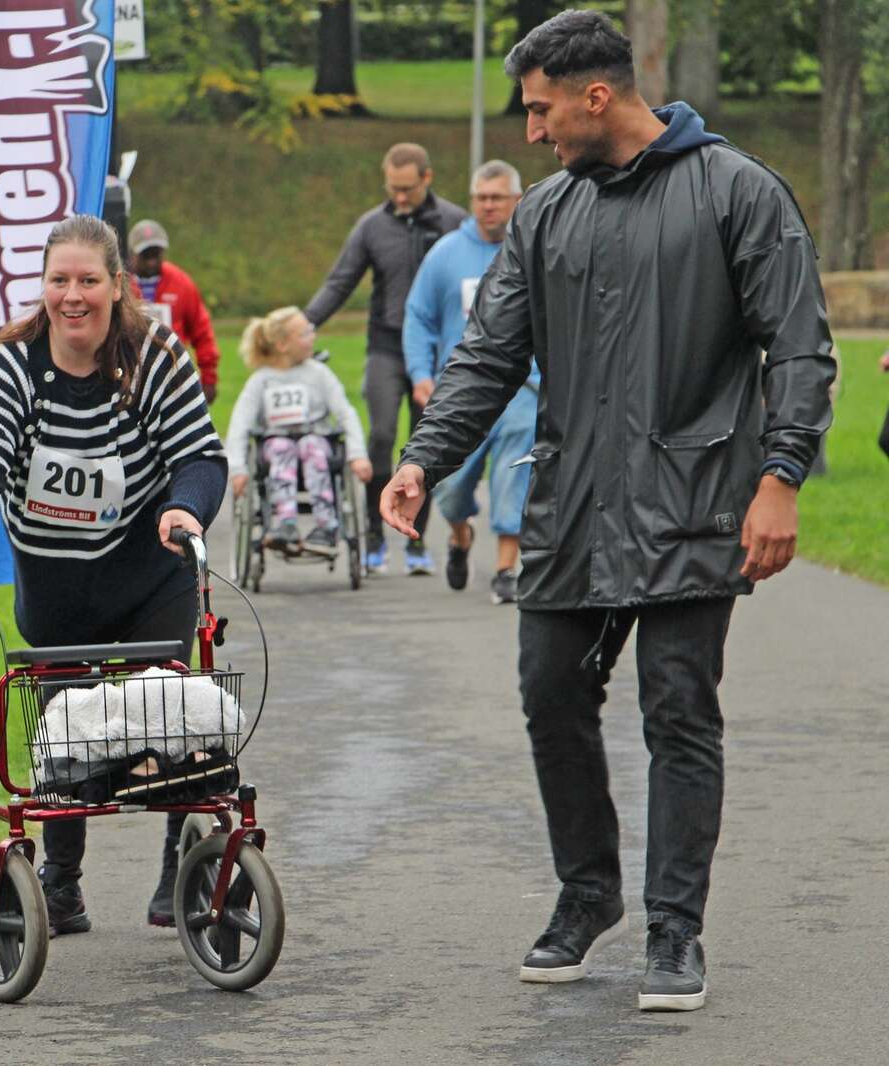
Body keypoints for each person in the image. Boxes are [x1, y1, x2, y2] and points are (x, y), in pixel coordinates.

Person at [380, 10, 833, 1013]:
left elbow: (796, 345)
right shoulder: (545, 215)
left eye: (540, 109)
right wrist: (422, 459)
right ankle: (588, 894)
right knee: (550, 695)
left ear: (595, 95)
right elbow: (490, 354)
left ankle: (674, 927)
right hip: (573, 505)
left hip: (693, 501)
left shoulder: (736, 191)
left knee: (677, 710)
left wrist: (781, 473)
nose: (529, 132)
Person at [0, 214, 227, 937]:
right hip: (55, 582)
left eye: (89, 280)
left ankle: (180, 871)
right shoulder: (14, 359)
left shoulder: (155, 353)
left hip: (149, 572)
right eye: (59, 280)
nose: (73, 296)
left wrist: (184, 510)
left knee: (172, 715)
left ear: (116, 286)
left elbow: (202, 458)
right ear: (43, 287)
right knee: (65, 735)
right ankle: (61, 885)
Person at [306, 144, 467, 576]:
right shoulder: (372, 226)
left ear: (427, 179)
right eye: (392, 189)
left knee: (427, 445)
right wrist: (304, 325)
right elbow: (340, 281)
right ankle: (375, 534)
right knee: (379, 435)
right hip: (387, 344)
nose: (399, 197)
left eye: (407, 189)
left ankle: (416, 540)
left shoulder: (453, 224)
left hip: (438, 352)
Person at [402, 160, 535, 605]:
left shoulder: (531, 248)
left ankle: (504, 568)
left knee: (514, 475)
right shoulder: (445, 254)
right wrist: (421, 375)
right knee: (452, 488)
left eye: (497, 198)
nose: (488, 206)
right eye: (481, 197)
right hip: (460, 389)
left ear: (517, 200)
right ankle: (460, 535)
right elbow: (418, 318)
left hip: (524, 388)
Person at [224, 306, 373, 555]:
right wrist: (237, 469)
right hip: (275, 448)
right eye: (304, 334)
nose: (312, 337)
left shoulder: (320, 374)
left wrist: (358, 455)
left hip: (317, 443)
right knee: (283, 447)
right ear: (283, 344)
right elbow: (240, 424)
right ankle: (285, 524)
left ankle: (327, 525)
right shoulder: (261, 380)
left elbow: (346, 413)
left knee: (310, 445)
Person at [128, 219, 222, 405]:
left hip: (174, 375)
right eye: (146, 254)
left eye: (157, 253)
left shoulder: (181, 282)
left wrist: (208, 377)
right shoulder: (120, 284)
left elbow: (201, 331)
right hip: (131, 375)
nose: (152, 260)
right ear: (132, 253)